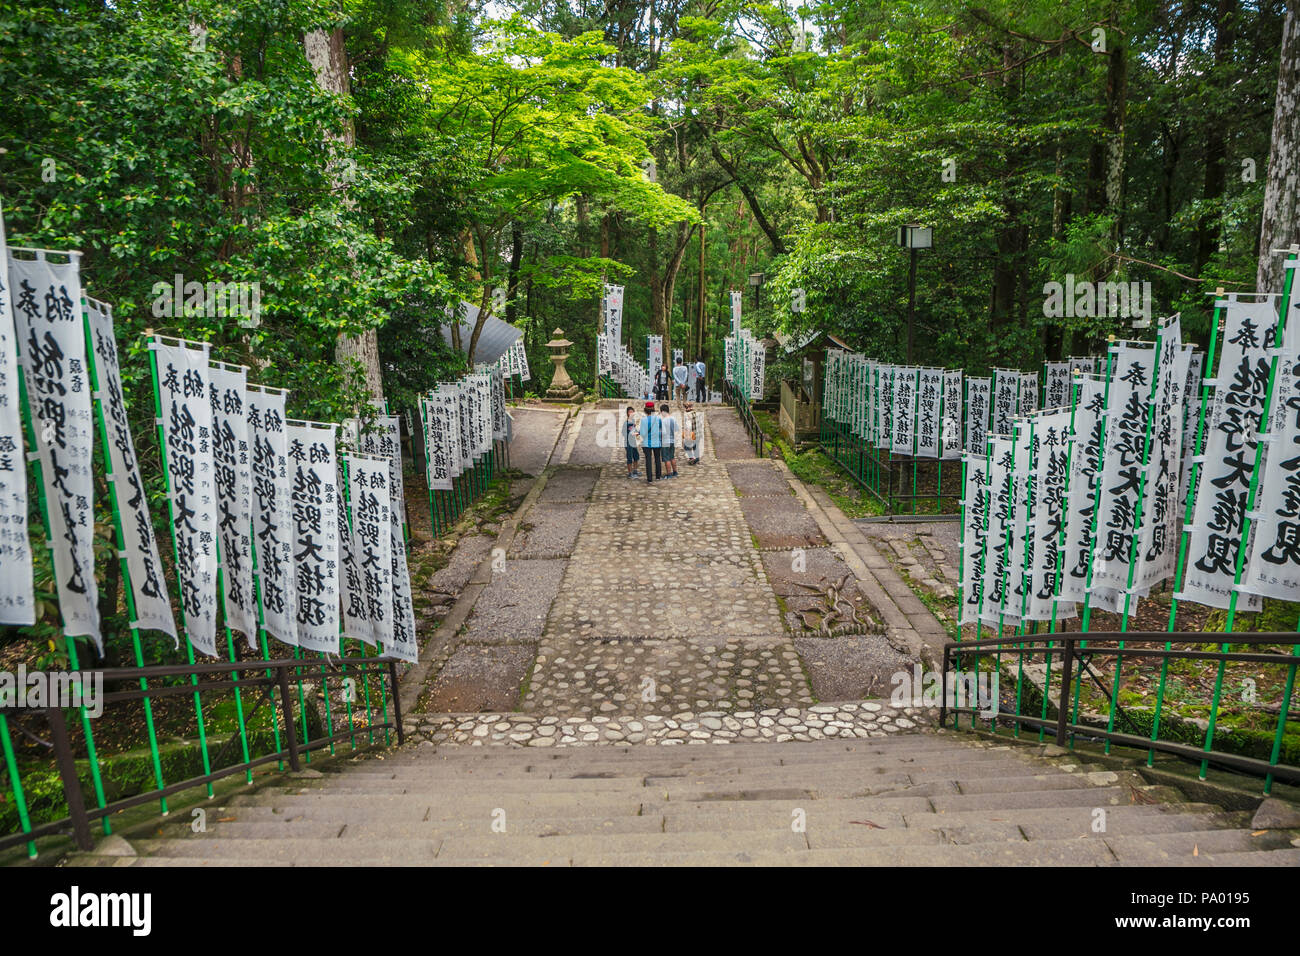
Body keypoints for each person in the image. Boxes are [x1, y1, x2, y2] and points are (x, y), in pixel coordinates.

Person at [639, 399, 662, 482]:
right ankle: (658, 476)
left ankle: (649, 478)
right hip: (657, 442)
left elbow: (642, 433)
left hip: (647, 443)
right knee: (657, 459)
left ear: (645, 410)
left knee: (648, 460)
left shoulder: (643, 420)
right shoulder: (658, 419)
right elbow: (661, 430)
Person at [659, 403, 679, 478]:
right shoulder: (673, 418)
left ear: (663, 411)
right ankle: (675, 472)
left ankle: (669, 474)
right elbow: (676, 429)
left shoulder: (663, 420)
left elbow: (662, 432)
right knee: (672, 457)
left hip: (665, 441)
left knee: (666, 458)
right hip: (672, 441)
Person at [624, 405, 640, 478]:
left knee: (636, 457)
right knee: (629, 458)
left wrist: (637, 432)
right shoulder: (627, 422)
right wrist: (639, 433)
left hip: (633, 442)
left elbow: (634, 431)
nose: (631, 413)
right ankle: (630, 473)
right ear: (627, 413)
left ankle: (635, 471)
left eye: (632, 412)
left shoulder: (632, 421)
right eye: (630, 412)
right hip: (628, 443)